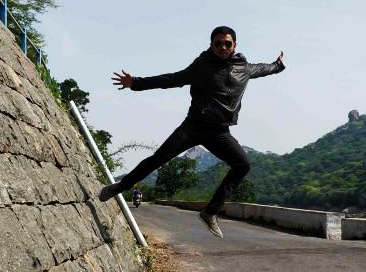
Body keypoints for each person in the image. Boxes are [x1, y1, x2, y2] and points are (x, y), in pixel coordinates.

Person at [99, 26, 285, 238]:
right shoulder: (202, 67)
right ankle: (120, 187)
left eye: (227, 43)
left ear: (235, 45)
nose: (222, 47)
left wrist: (278, 65)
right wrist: (136, 83)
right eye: (218, 44)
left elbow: (263, 69)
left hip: (219, 132)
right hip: (194, 126)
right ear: (211, 45)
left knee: (243, 165)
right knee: (158, 159)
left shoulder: (243, 67)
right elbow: (172, 79)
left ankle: (210, 212)